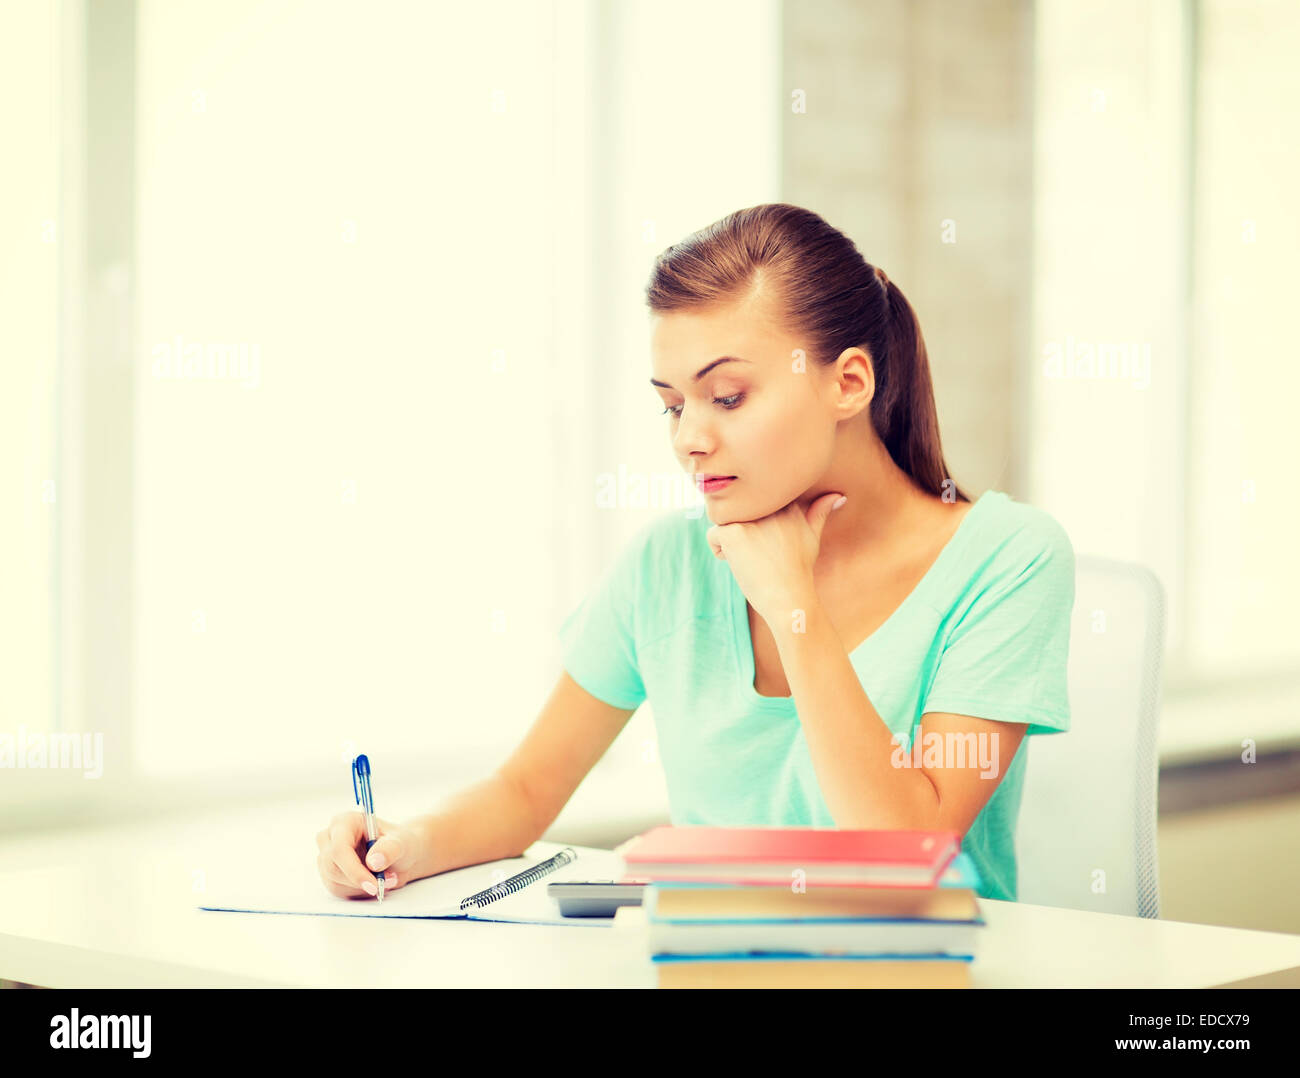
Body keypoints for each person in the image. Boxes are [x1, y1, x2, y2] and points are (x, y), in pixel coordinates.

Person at [316, 203, 1074, 902]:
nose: (688, 439)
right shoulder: (666, 566)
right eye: (672, 405)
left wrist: (795, 609)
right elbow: (524, 793)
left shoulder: (1007, 560)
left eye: (728, 397)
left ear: (848, 382)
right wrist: (405, 845)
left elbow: (908, 850)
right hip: (715, 965)